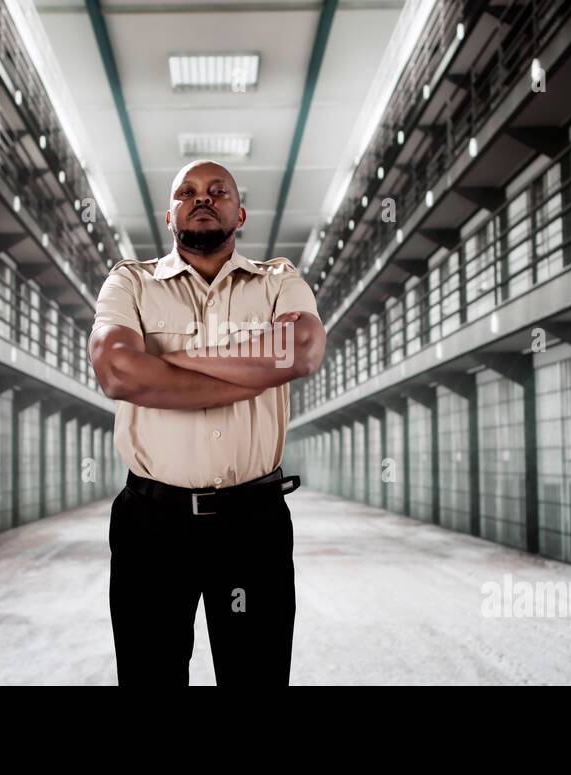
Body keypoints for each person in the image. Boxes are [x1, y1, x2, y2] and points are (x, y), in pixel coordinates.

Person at [87, 159, 326, 685]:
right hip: (151, 527)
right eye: (187, 192)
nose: (202, 198)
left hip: (252, 526)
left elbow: (302, 349)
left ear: (239, 214)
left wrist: (167, 361)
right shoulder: (130, 282)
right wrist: (254, 369)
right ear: (169, 215)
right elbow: (117, 370)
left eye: (218, 191)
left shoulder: (278, 280)